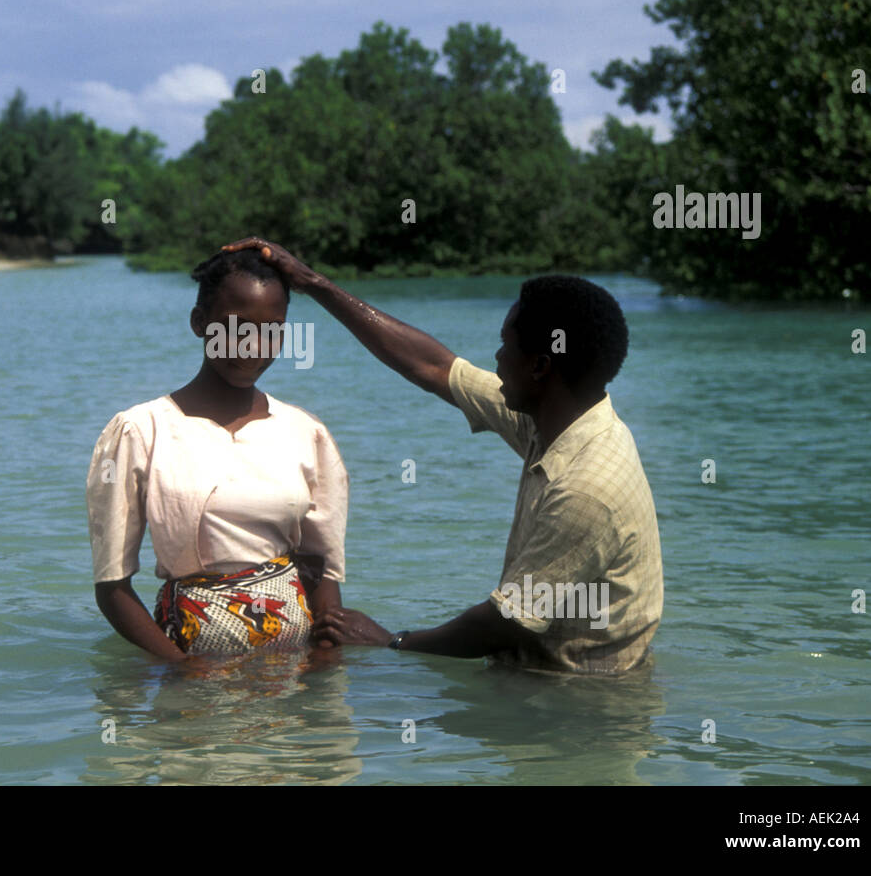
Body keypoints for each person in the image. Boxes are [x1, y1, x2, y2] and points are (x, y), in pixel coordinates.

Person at [222, 237, 663, 675]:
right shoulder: (552, 416)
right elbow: (432, 367)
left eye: (505, 345)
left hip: (577, 702)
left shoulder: (587, 487)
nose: (495, 357)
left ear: (540, 367)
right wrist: (315, 284)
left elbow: (506, 621)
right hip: (540, 681)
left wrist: (393, 642)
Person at [86, 248, 347, 660]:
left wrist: (324, 663)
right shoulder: (141, 430)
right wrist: (182, 670)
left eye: (272, 329)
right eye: (236, 327)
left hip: (291, 669)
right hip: (190, 665)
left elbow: (322, 571)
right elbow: (111, 587)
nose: (253, 346)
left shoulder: (305, 432)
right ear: (198, 323)